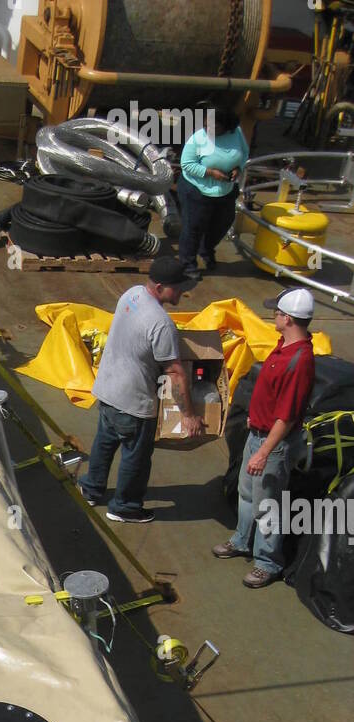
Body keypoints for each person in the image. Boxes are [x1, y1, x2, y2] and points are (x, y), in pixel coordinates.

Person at [79, 254, 204, 523]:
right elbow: (175, 372)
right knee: (136, 457)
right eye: (178, 287)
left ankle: (91, 488)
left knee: (105, 441)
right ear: (159, 288)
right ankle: (124, 506)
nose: (182, 291)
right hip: (134, 402)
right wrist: (189, 415)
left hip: (109, 389)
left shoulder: (132, 294)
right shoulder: (161, 323)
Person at [212, 287, 316, 588]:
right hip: (257, 434)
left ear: (288, 318)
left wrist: (263, 452)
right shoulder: (284, 346)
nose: (273, 315)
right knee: (247, 494)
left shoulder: (300, 362)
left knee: (268, 504)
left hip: (273, 445)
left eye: (277, 312)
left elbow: (287, 416)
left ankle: (267, 562)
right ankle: (242, 540)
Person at [177, 104, 250, 281]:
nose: (208, 129)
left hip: (225, 189)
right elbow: (186, 164)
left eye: (214, 126)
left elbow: (244, 153)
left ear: (226, 126)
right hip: (197, 189)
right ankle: (188, 264)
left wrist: (238, 168)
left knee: (223, 223)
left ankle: (206, 248)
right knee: (193, 227)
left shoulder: (236, 133)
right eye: (206, 125)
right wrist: (210, 173)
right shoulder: (198, 138)